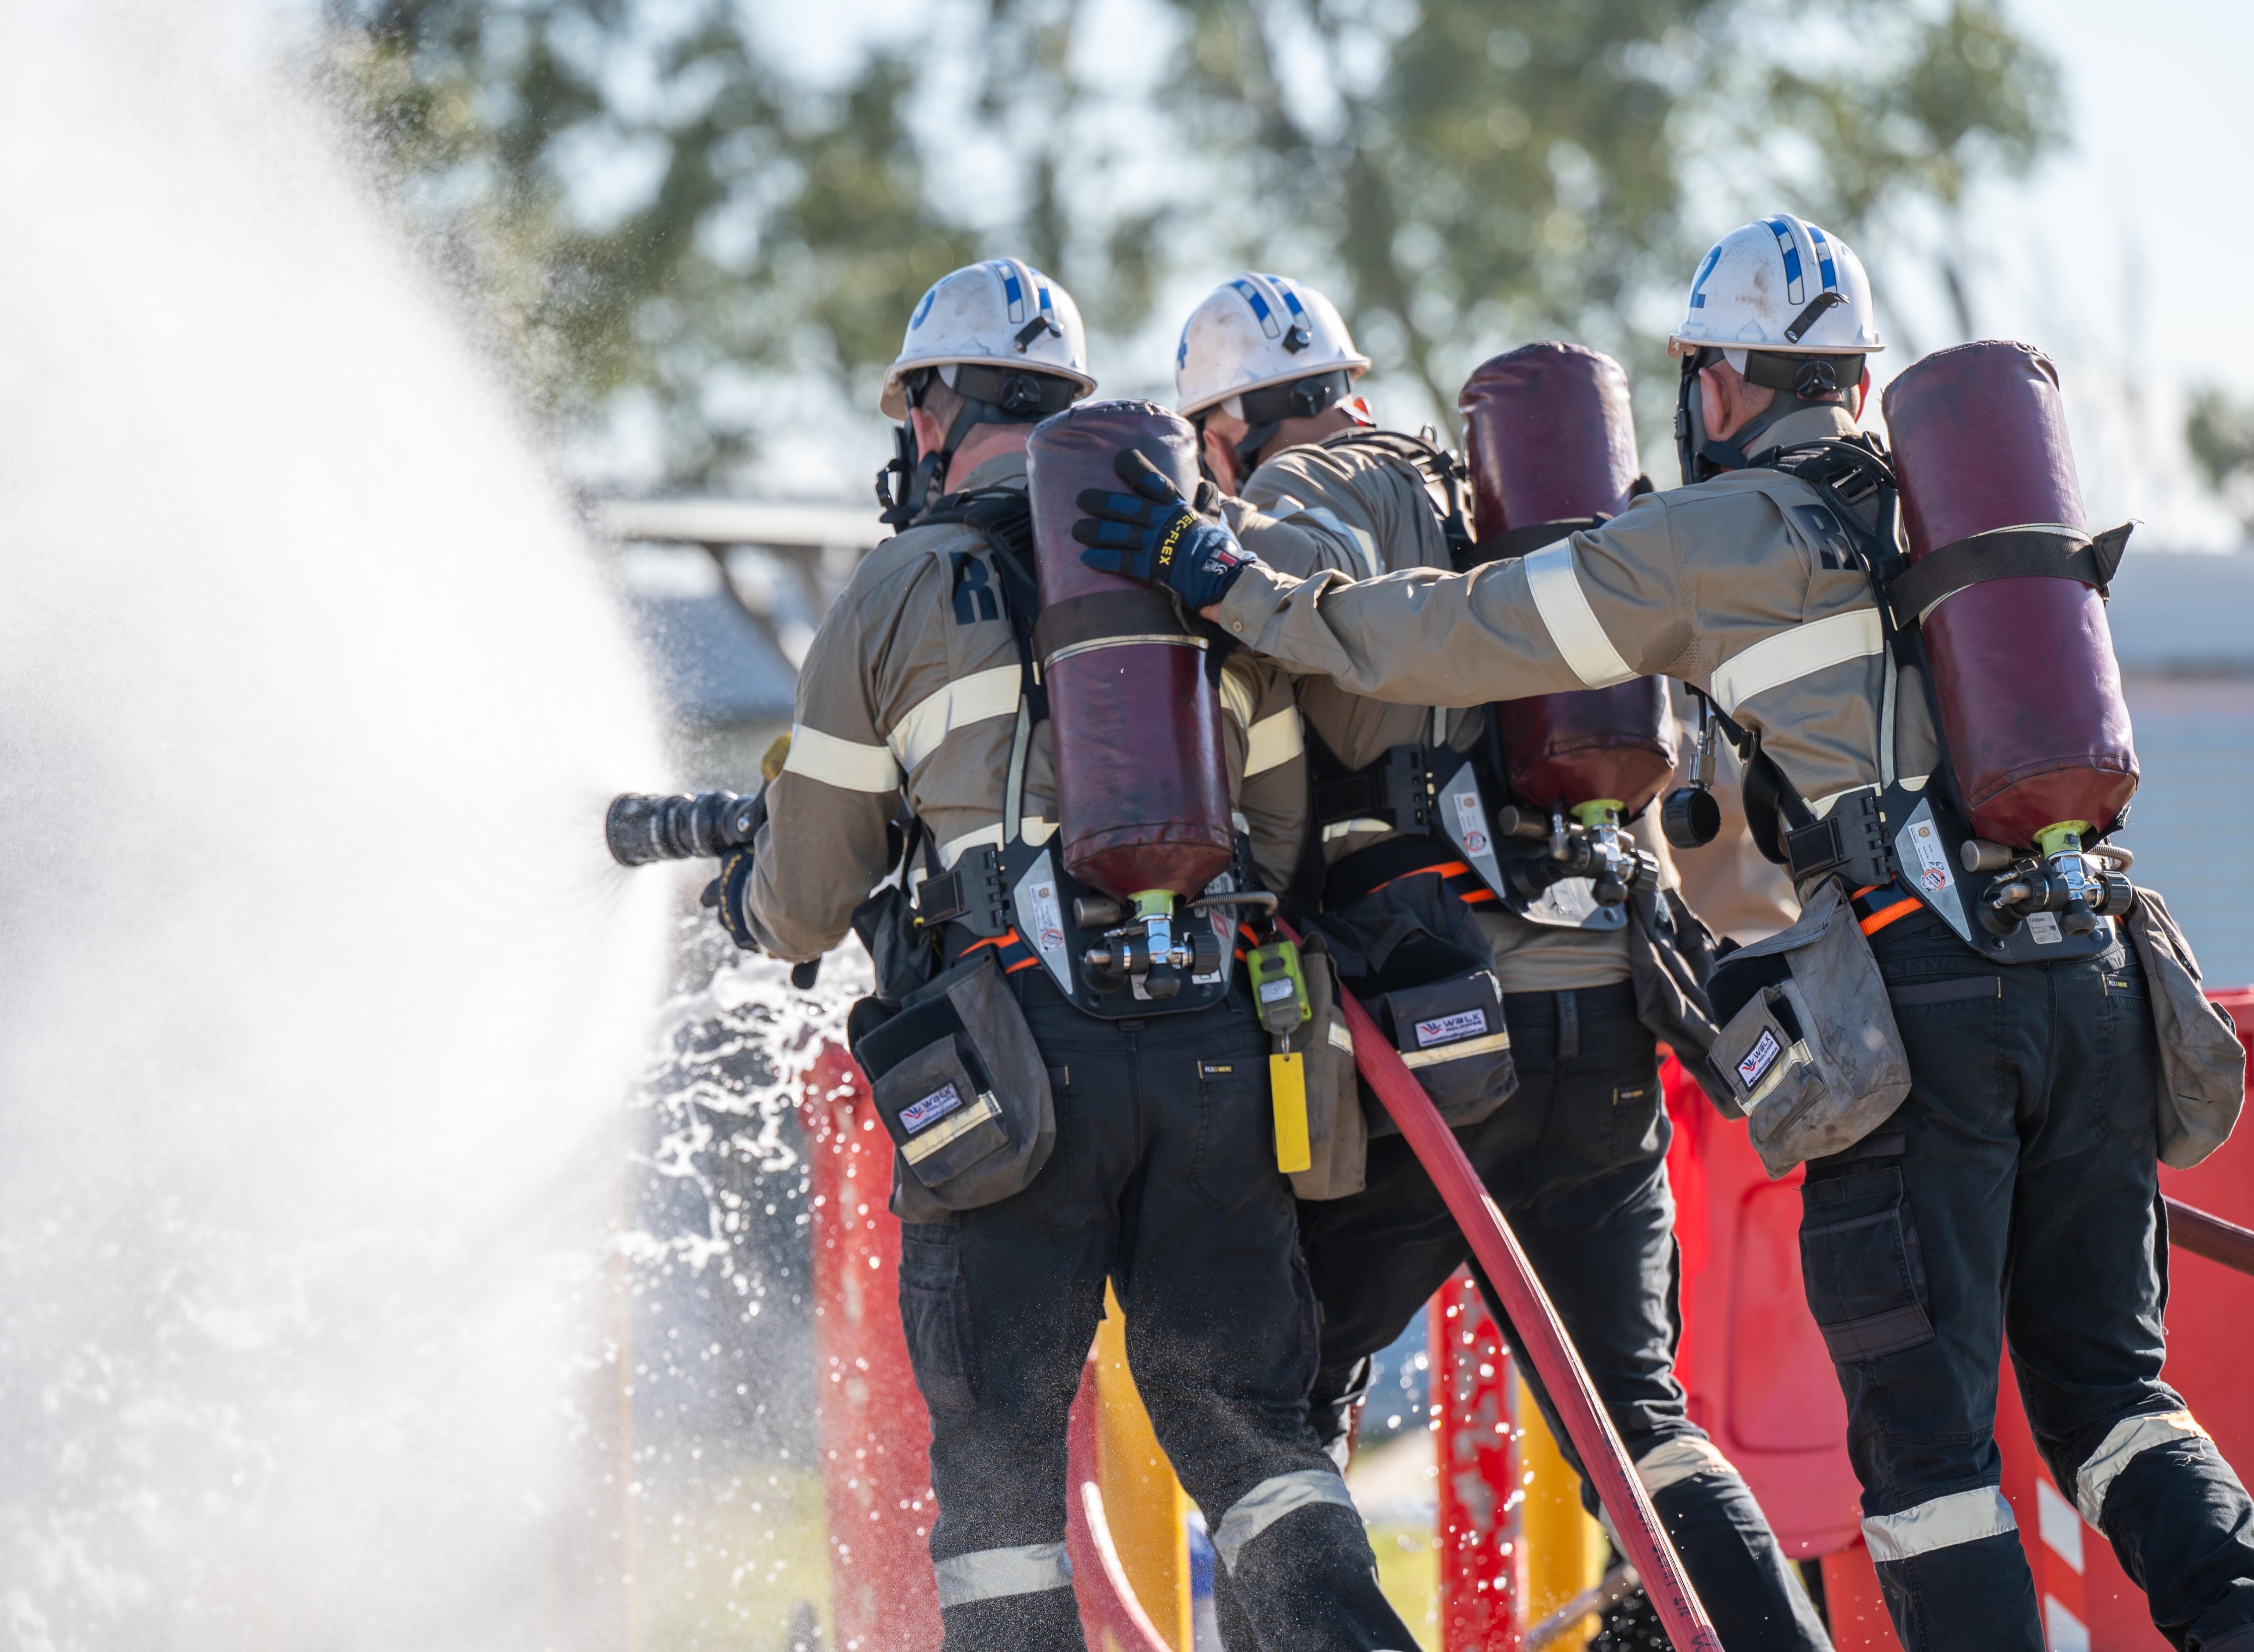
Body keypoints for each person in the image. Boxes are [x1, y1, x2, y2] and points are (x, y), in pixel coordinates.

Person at [1072, 218, 2254, 1651]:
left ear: (1714, 387)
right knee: (2114, 1402)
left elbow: (1457, 633)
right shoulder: (1943, 527)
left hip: (1919, 1016)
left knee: (1932, 1471)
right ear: (1861, 386)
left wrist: (1221, 575)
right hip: (2098, 974)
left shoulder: (1714, 539)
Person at [715, 258, 1417, 1652]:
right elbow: (1271, 831)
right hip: (1216, 1054)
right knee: (1254, 1437)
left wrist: (742, 896)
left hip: (1009, 1087)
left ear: (930, 410)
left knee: (998, 1483)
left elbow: (802, 902)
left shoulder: (901, 587)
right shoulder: (1182, 546)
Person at [1172, 272, 1827, 1651]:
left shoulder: (1303, 497)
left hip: (1429, 1046)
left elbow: (1240, 726)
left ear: (1225, 425)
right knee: (1634, 1412)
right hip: (1605, 1019)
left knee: (1274, 1408)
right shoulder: (1500, 494)